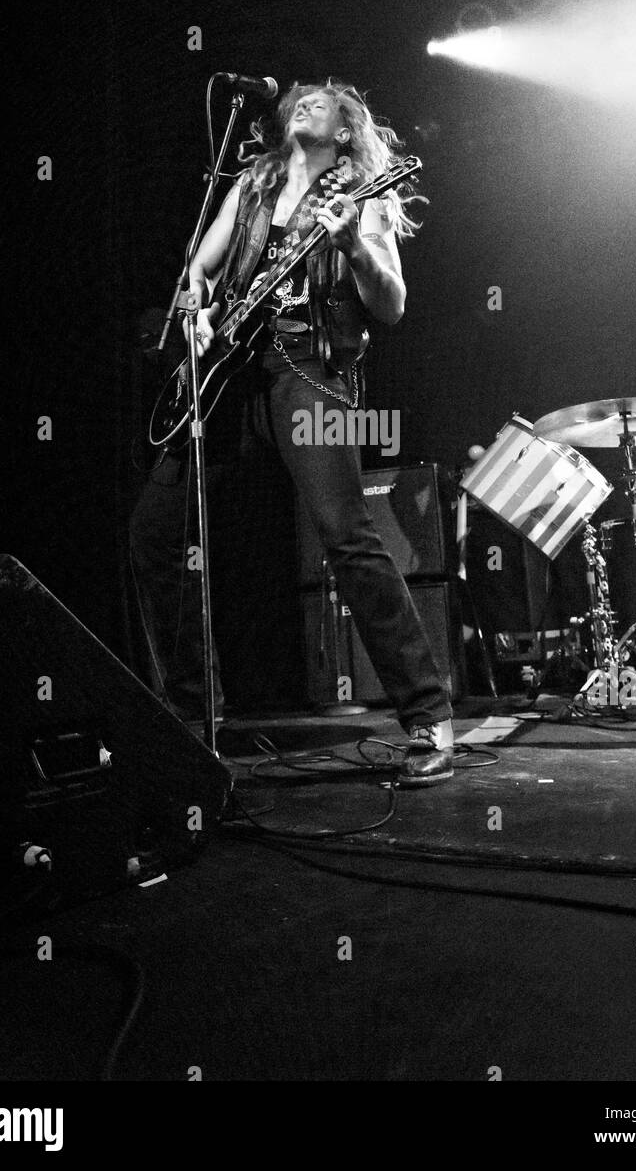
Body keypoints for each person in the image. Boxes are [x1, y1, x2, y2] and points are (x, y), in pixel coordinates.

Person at [130, 80, 454, 785]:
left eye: (326, 101)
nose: (307, 100)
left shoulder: (360, 194)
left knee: (345, 534)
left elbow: (391, 305)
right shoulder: (253, 179)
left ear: (346, 131)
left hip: (306, 370)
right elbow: (199, 269)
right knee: (156, 533)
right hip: (227, 376)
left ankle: (427, 714)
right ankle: (188, 716)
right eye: (301, 97)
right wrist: (198, 310)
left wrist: (353, 249)